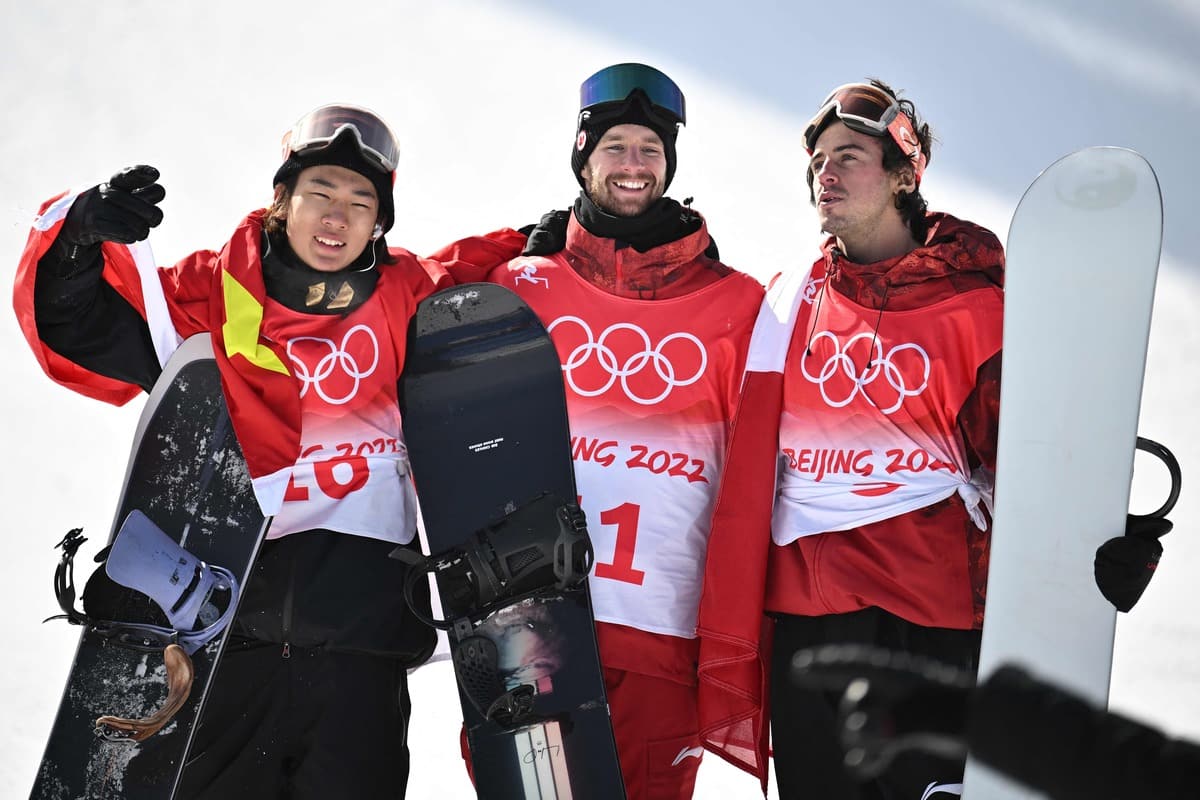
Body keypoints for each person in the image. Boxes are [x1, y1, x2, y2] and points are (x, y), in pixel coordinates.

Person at [13, 104, 521, 799]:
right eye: (319, 194)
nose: (337, 218)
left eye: (359, 202)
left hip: (360, 656)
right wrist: (76, 238)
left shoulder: (411, 296)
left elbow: (487, 270)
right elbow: (80, 328)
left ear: (380, 223)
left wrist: (558, 236)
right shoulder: (210, 295)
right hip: (223, 651)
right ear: (281, 201)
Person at [435, 62, 766, 799]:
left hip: (662, 629)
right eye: (615, 146)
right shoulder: (520, 282)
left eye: (650, 150)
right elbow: (400, 307)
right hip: (527, 618)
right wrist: (504, 246)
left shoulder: (738, 304)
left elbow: (778, 456)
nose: (633, 165)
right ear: (583, 157)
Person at [701, 79, 1006, 799]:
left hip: (930, 619)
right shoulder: (789, 299)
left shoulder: (977, 304)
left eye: (850, 156)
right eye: (818, 161)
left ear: (905, 173)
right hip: (812, 624)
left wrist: (1096, 559)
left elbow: (1039, 457)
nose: (825, 173)